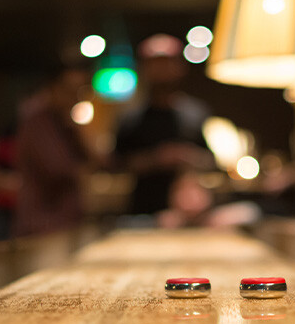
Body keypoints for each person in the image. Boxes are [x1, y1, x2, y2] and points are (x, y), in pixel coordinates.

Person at [113, 34, 214, 216]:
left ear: (180, 66)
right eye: (154, 63)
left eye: (167, 62)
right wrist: (156, 159)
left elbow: (211, 161)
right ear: (143, 68)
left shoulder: (194, 113)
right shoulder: (131, 118)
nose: (162, 69)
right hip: (142, 210)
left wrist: (186, 157)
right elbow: (116, 165)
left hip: (187, 212)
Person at [12, 63, 101, 236]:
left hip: (64, 223)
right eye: (70, 90)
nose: (75, 98)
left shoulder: (65, 124)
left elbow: (97, 160)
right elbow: (57, 168)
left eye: (79, 91)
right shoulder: (37, 122)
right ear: (53, 88)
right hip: (42, 225)